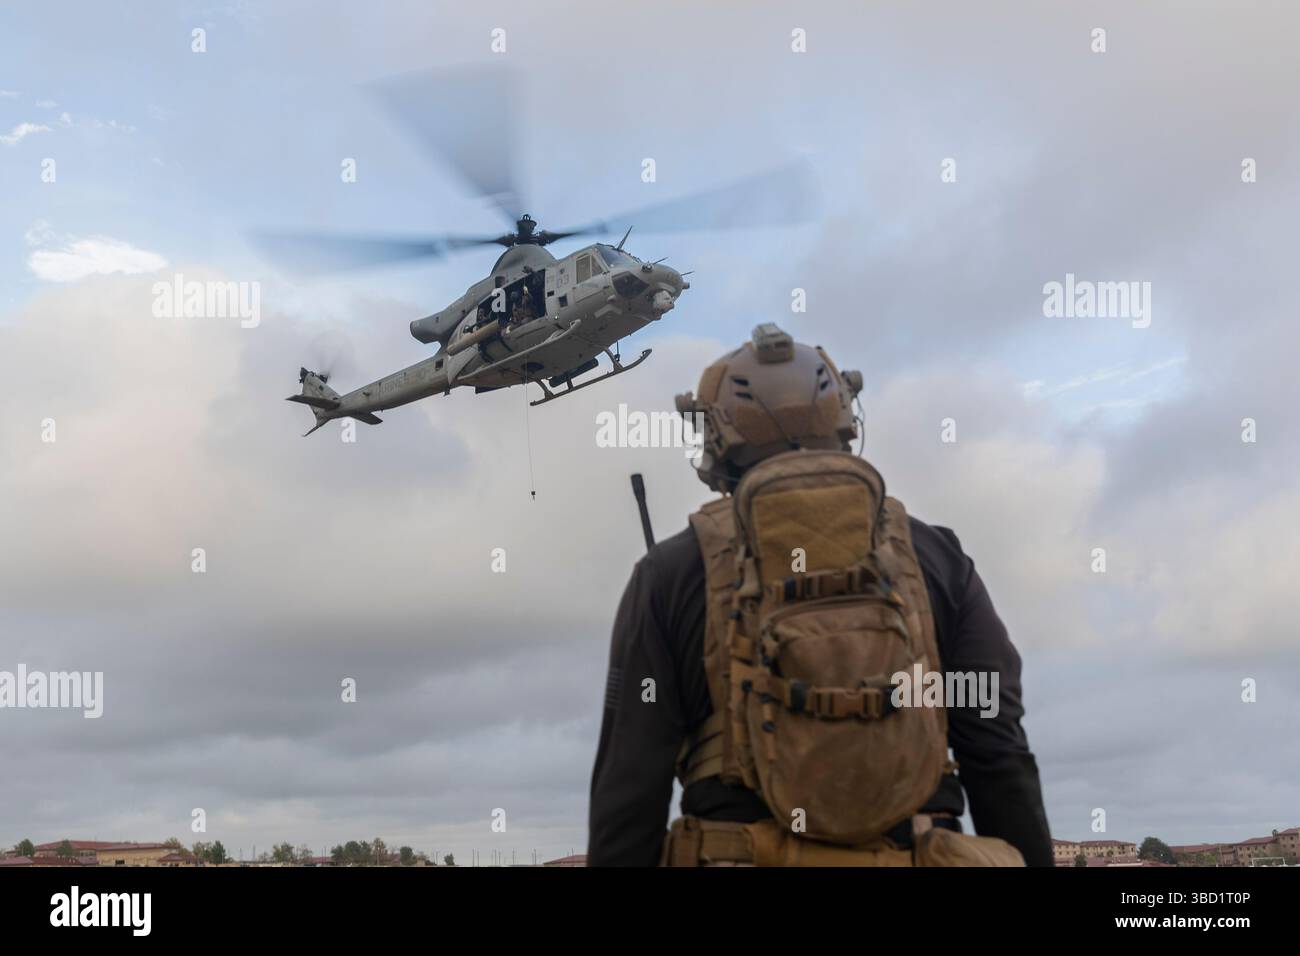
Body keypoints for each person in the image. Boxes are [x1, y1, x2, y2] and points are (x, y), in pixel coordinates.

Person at [588, 324, 1052, 867]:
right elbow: (998, 755)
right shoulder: (936, 558)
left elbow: (629, 791)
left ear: (716, 441)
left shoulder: (668, 574)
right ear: (844, 420)